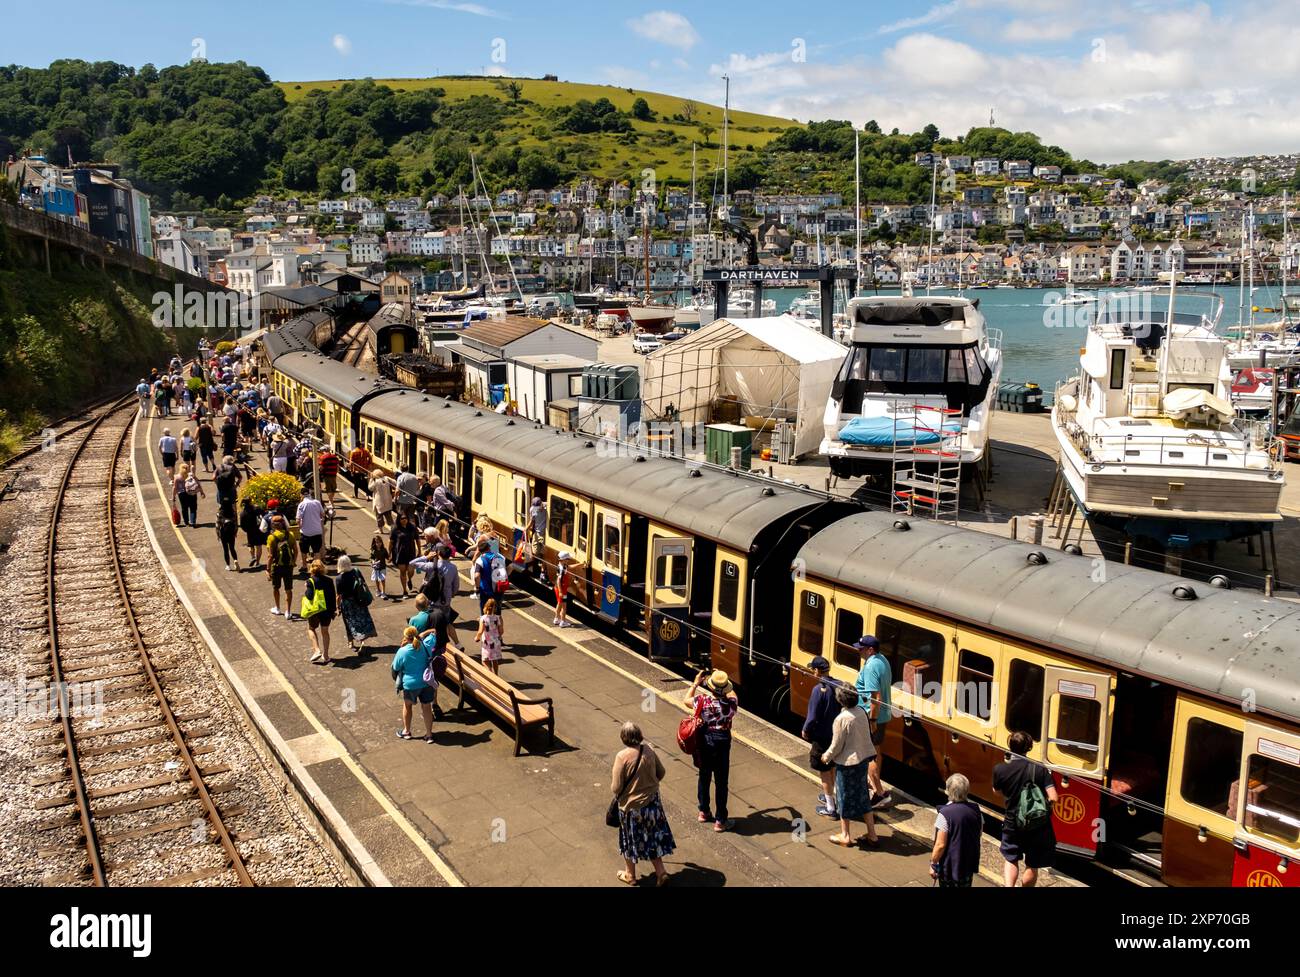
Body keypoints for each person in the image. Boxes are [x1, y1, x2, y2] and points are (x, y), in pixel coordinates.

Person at [993, 731, 1059, 888]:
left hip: (1012, 822)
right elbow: (1054, 798)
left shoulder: (1000, 769)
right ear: (1029, 747)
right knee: (1032, 864)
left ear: (1010, 746)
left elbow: (996, 791)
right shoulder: (1040, 770)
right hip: (1036, 826)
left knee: (1011, 858)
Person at [611, 722, 674, 886]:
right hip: (653, 804)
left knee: (630, 840)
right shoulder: (649, 750)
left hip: (632, 808)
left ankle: (630, 875)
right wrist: (649, 785)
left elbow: (616, 787)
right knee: (652, 837)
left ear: (623, 738)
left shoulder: (621, 757)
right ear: (639, 734)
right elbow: (661, 773)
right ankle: (661, 873)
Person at [821, 684, 880, 848]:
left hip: (847, 764)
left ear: (840, 700)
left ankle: (845, 835)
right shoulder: (861, 711)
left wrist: (826, 757)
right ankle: (872, 834)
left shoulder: (841, 719)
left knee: (843, 798)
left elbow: (837, 745)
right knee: (863, 796)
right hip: (862, 761)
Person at [687, 669, 739, 832]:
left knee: (704, 775)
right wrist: (726, 685)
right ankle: (720, 821)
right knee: (721, 782)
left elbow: (686, 700)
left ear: (710, 687)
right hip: (722, 741)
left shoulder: (702, 701)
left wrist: (695, 683)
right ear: (725, 689)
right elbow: (735, 696)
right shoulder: (730, 705)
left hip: (705, 740)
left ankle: (703, 811)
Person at [854, 635, 893, 808]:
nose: (858, 650)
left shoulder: (870, 667)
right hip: (884, 715)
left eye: (861, 648)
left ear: (870, 650)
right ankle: (876, 786)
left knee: (869, 756)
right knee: (877, 754)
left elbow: (875, 697)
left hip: (872, 717)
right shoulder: (882, 659)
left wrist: (872, 720)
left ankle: (879, 793)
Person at [800, 656, 840, 819]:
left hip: (822, 735)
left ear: (817, 671)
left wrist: (805, 730)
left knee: (823, 769)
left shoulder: (818, 690)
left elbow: (812, 715)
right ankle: (832, 795)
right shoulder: (838, 684)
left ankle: (830, 807)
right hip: (837, 734)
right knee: (833, 766)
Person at [931, 773, 982, 888]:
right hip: (967, 865)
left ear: (948, 791)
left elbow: (940, 845)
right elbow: (978, 834)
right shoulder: (976, 811)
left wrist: (933, 863)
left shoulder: (945, 814)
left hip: (949, 868)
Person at [391, 626, 435, 742]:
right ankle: (429, 734)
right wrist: (427, 633)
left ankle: (407, 731)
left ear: (406, 637)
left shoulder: (403, 651)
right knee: (427, 707)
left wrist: (401, 647)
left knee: (408, 706)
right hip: (426, 682)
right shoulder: (426, 646)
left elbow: (395, 667)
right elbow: (434, 635)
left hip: (410, 684)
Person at [335, 555, 377, 655]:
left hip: (347, 604)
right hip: (359, 600)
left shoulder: (339, 578)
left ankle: (350, 642)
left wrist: (338, 608)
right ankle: (362, 642)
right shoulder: (356, 571)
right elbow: (363, 583)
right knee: (362, 621)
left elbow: (338, 596)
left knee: (349, 623)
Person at [303, 560, 336, 665]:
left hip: (315, 610)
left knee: (311, 628)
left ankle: (317, 650)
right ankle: (326, 655)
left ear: (311, 568)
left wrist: (306, 588)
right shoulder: (329, 580)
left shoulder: (310, 581)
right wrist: (333, 611)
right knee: (325, 632)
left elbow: (309, 596)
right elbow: (332, 597)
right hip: (326, 610)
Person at [266, 514, 298, 617]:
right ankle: (288, 611)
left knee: (276, 587)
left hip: (277, 566)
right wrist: (293, 561)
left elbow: (270, 556)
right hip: (288, 566)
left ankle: (278, 608)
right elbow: (296, 550)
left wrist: (268, 569)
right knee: (288, 589)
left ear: (273, 526)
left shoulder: (271, 537)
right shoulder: (290, 535)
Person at [389, 513, 419, 598]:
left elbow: (417, 539)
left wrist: (419, 551)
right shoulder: (395, 529)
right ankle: (405, 591)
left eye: (405, 518)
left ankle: (409, 579)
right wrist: (389, 554)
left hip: (411, 553)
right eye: (402, 518)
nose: (404, 519)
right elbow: (391, 543)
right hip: (400, 553)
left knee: (410, 570)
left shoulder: (412, 527)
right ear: (399, 520)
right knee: (402, 572)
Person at [296, 491, 326, 572]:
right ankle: (318, 568)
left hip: (306, 532)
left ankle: (304, 566)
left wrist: (300, 526)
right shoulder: (317, 502)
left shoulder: (301, 504)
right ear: (309, 495)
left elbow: (298, 520)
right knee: (316, 550)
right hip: (317, 531)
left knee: (304, 550)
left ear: (301, 495)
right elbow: (323, 515)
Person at [170, 462, 205, 528]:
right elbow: (198, 483)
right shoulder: (191, 475)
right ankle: (193, 522)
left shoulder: (177, 477)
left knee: (184, 508)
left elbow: (175, 488)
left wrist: (173, 497)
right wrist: (201, 492)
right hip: (192, 493)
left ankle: (186, 522)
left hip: (182, 494)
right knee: (193, 508)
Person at [475, 597, 504, 675]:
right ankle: (496, 675)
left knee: (485, 661)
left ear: (485, 607)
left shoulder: (483, 619)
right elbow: (501, 631)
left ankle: (491, 675)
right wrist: (499, 635)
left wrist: (477, 637)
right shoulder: (497, 618)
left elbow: (480, 631)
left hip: (487, 643)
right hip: (496, 642)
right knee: (495, 660)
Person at [471, 539, 500, 614]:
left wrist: (477, 588)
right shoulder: (498, 557)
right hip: (498, 587)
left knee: (484, 608)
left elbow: (477, 576)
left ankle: (484, 621)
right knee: (497, 610)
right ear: (489, 548)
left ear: (480, 551)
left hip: (485, 589)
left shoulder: (480, 560)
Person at [239, 495, 267, 567]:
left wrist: (246, 530)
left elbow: (242, 525)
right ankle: (257, 562)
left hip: (249, 531)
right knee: (258, 546)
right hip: (257, 529)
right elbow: (264, 514)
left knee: (250, 545)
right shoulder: (256, 508)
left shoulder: (243, 513)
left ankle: (253, 557)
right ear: (250, 501)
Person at [216, 503, 240, 571]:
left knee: (225, 549)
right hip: (231, 532)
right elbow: (236, 524)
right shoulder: (233, 512)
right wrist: (235, 532)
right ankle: (235, 560)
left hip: (223, 532)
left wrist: (218, 534)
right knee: (232, 548)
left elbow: (217, 524)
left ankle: (228, 565)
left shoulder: (219, 513)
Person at [370, 532, 390, 600]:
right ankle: (378, 590)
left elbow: (387, 557)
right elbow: (371, 558)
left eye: (380, 542)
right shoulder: (373, 550)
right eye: (377, 542)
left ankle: (383, 592)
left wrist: (390, 558)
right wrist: (373, 562)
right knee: (376, 579)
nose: (378, 544)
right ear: (374, 543)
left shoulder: (384, 550)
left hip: (382, 567)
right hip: (376, 567)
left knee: (382, 579)